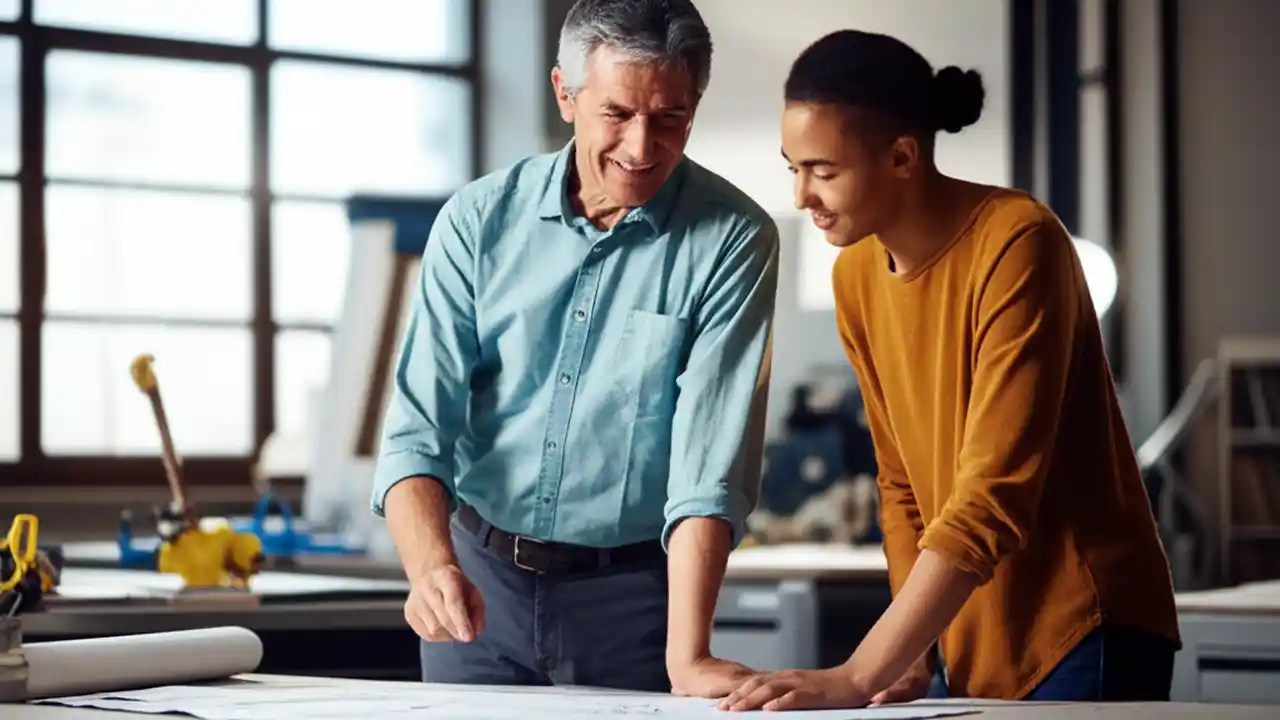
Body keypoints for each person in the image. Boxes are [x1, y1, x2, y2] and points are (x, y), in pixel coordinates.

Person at [719, 29, 1180, 711]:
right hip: (967, 636)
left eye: (823, 170)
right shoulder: (856, 277)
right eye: (793, 166)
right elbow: (902, 484)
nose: (801, 194)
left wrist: (858, 672)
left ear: (902, 155)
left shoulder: (1019, 242)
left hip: (1083, 630)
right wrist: (910, 654)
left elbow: (991, 496)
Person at [371, 0, 779, 698]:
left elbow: (709, 471)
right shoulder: (476, 221)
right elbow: (417, 431)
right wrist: (431, 567)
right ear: (566, 93)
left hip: (631, 602)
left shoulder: (733, 239)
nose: (643, 146)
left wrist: (690, 655)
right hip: (479, 584)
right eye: (617, 114)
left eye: (671, 117)